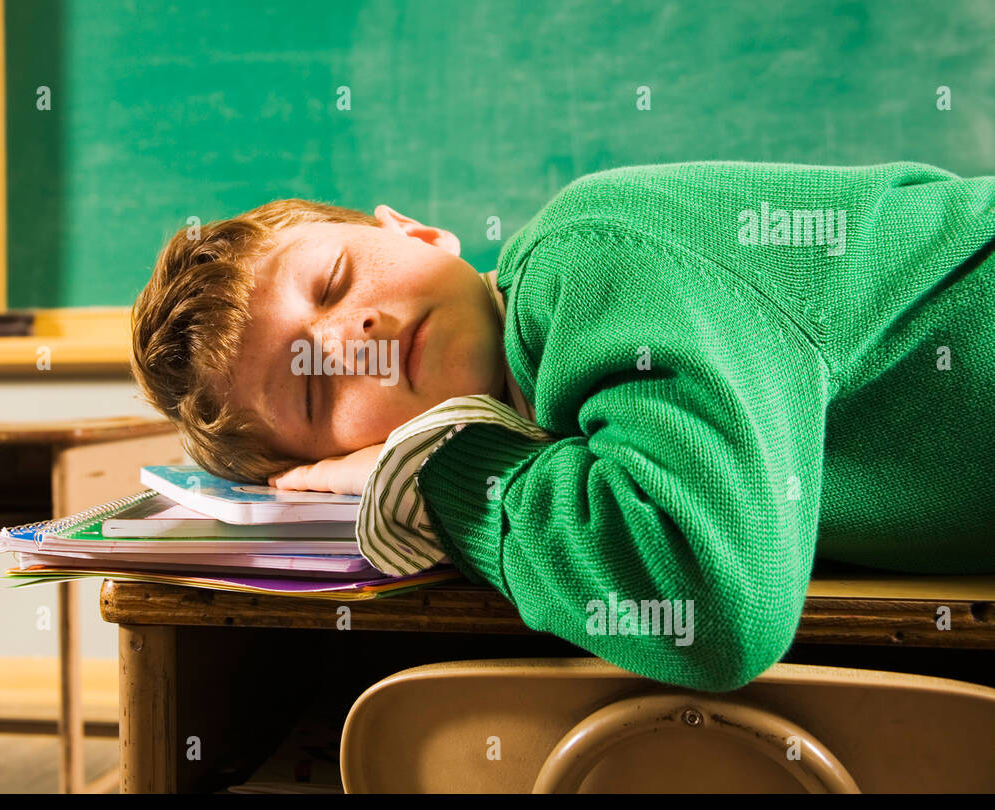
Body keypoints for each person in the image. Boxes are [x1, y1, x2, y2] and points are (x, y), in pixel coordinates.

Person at [128, 160, 995, 690]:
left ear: (417, 232)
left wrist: (441, 479)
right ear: (344, 459)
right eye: (314, 391)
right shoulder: (561, 412)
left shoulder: (585, 254)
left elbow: (707, 605)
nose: (355, 340)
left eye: (336, 282)